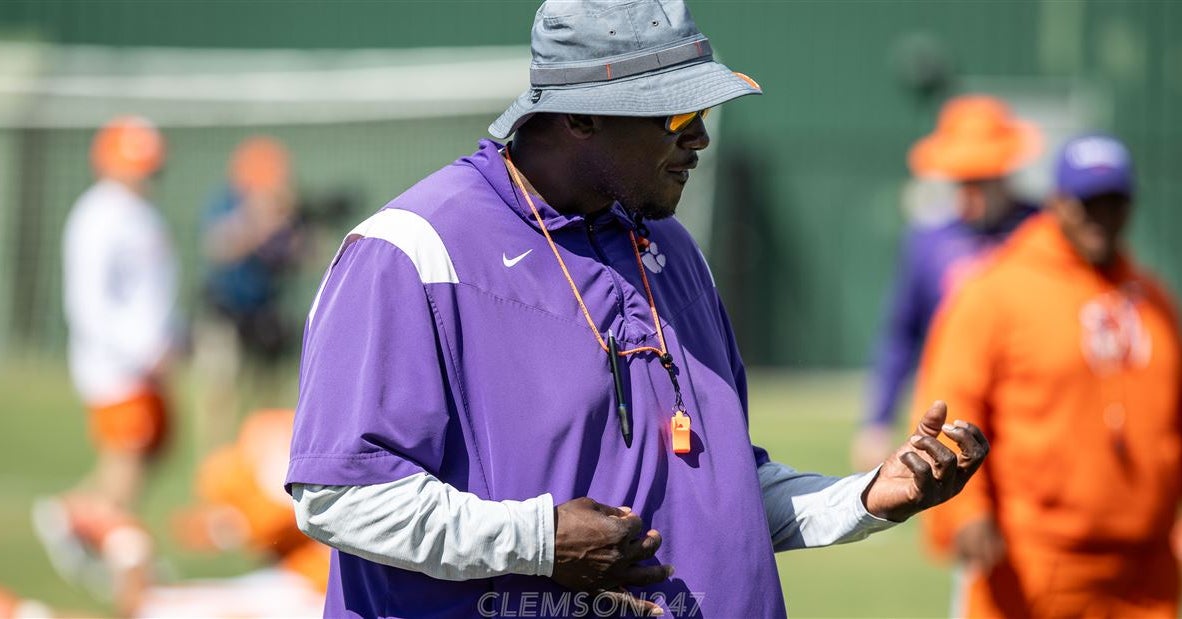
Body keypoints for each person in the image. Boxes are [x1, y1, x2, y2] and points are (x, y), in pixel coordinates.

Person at [286, 2, 989, 617]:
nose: (701, 139)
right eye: (676, 114)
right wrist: (538, 541)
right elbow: (339, 494)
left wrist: (864, 499)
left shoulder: (672, 250)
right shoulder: (411, 250)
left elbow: (718, 492)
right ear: (580, 114)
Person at [910, 134, 1181, 617]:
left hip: (1146, 571)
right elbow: (952, 399)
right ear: (1057, 204)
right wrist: (964, 511)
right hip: (1033, 563)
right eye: (1087, 203)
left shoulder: (1153, 301)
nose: (1102, 217)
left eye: (1114, 202)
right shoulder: (998, 289)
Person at [851, 95, 1042, 471]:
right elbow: (901, 333)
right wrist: (877, 420)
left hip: (1030, 413)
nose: (970, 192)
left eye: (981, 180)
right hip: (953, 411)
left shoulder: (1042, 232)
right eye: (962, 181)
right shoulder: (928, 242)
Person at [35, 116, 178, 608]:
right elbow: (90, 302)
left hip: (147, 360)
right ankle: (117, 551)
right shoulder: (97, 216)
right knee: (126, 464)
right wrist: (139, 349)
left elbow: (152, 289)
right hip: (116, 366)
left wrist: (169, 336)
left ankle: (73, 515)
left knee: (152, 452)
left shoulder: (141, 213)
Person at [195, 136, 305, 452]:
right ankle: (215, 461)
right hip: (224, 310)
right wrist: (257, 223)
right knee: (221, 392)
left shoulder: (286, 211)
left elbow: (304, 254)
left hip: (265, 313)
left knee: (267, 397)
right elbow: (218, 247)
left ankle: (256, 462)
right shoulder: (226, 204)